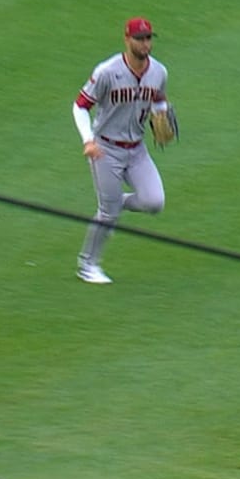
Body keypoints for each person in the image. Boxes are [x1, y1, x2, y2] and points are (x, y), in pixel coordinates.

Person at [70, 17, 172, 284]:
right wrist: (88, 140)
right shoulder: (107, 71)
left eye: (148, 38)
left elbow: (159, 102)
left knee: (154, 202)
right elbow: (80, 105)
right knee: (107, 212)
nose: (145, 43)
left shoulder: (159, 72)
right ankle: (87, 265)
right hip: (105, 149)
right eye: (140, 38)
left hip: (137, 150)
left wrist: (161, 118)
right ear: (127, 40)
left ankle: (118, 202)